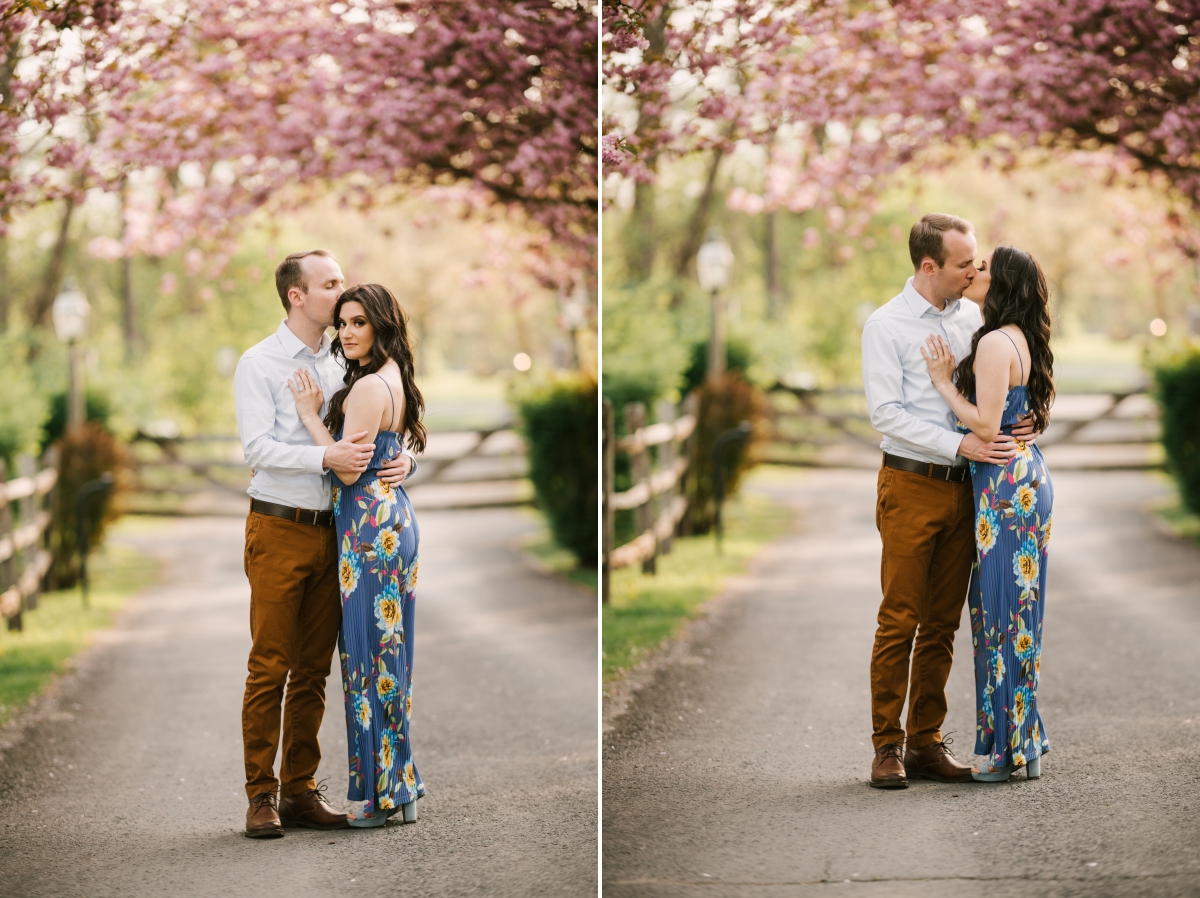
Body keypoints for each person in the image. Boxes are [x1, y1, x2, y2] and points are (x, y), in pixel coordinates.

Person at [235, 250, 414, 838]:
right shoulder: (258, 364)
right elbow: (258, 449)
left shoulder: (345, 361)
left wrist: (403, 457)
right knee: (270, 666)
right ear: (297, 295)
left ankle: (300, 791)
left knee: (313, 670)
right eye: (330, 285)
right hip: (280, 527)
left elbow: (382, 414)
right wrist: (324, 455)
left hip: (336, 535)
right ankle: (260, 795)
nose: (341, 295)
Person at [861, 213, 1038, 789]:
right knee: (899, 620)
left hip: (969, 490)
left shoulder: (974, 319)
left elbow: (1004, 382)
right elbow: (885, 413)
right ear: (929, 265)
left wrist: (1025, 422)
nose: (973, 270)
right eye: (964, 263)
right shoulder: (885, 326)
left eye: (976, 260)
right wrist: (960, 440)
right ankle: (885, 746)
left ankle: (925, 744)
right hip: (910, 485)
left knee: (941, 624)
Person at [289, 283, 428, 827]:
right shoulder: (392, 377)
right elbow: (398, 448)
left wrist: (308, 416)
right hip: (388, 522)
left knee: (371, 665)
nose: (345, 332)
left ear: (381, 325)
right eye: (341, 323)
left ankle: (386, 794)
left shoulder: (370, 386)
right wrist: (408, 464)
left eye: (357, 323)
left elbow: (346, 468)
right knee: (386, 661)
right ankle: (402, 785)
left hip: (372, 532)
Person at [921, 245, 1054, 782]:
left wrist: (943, 383)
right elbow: (1023, 413)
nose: (975, 273)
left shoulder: (997, 343)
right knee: (1015, 620)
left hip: (1005, 488)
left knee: (1000, 620)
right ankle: (1028, 739)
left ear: (1001, 288)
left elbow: (985, 424)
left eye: (984, 270)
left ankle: (1007, 750)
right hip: (1022, 478)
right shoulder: (1018, 338)